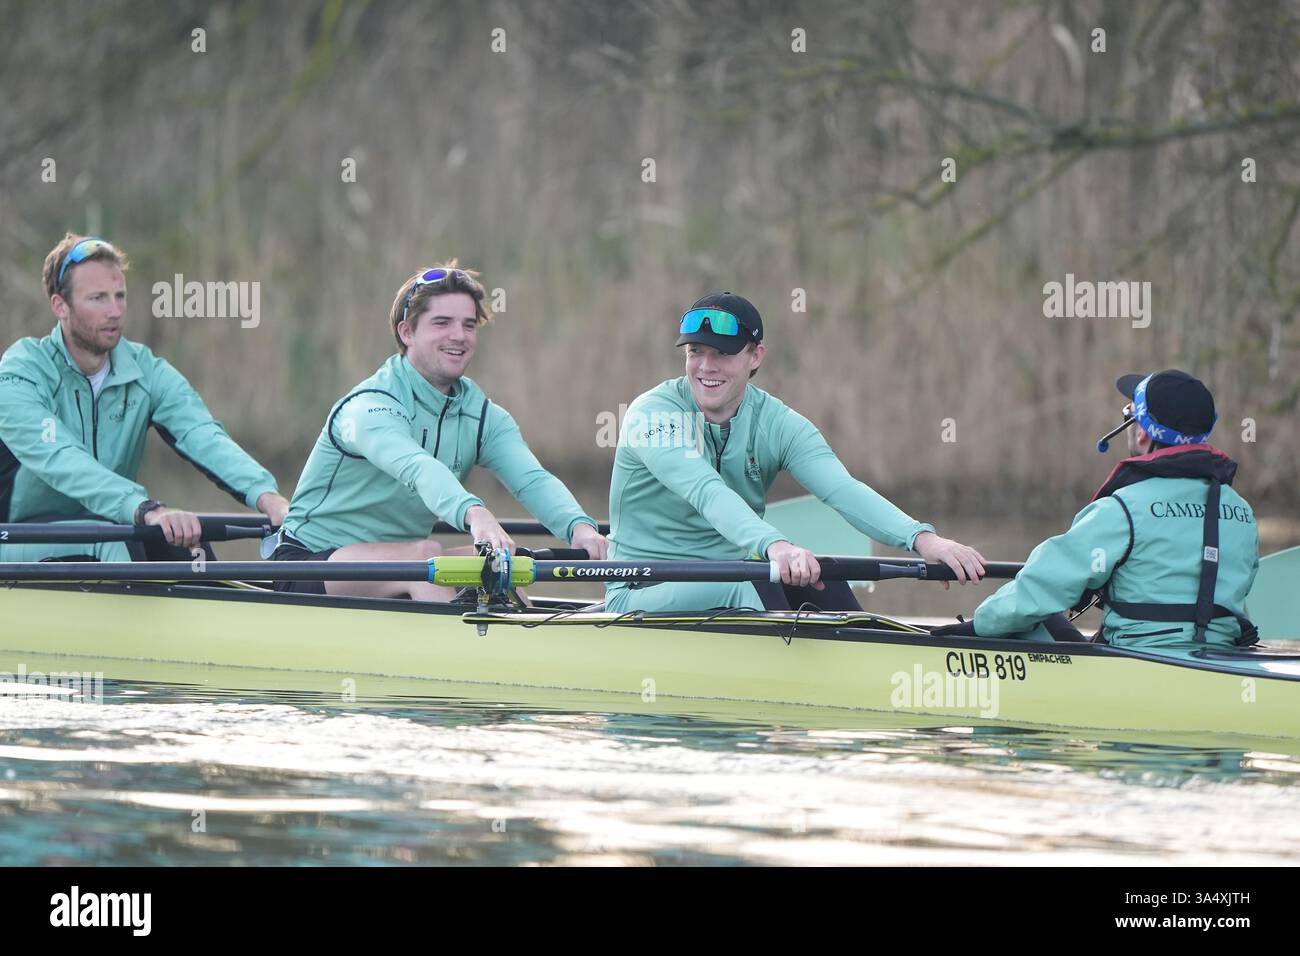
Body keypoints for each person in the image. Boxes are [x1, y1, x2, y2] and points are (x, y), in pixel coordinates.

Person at [606, 292, 986, 613]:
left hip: (739, 573)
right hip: (641, 588)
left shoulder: (777, 423)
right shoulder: (652, 415)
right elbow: (707, 491)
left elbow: (843, 490)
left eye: (722, 353)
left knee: (822, 580)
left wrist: (924, 540)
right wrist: (777, 546)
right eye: (696, 351)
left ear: (755, 356)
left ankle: (873, 668)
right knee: (752, 584)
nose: (706, 366)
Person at [271, 263, 607, 600]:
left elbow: (532, 479)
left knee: (503, 564)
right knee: (424, 557)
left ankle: (527, 645)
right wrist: (476, 514)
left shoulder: (481, 415)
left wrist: (579, 527)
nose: (459, 336)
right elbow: (418, 467)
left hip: (394, 566)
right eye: (442, 323)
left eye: (468, 325)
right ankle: (466, 650)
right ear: (407, 333)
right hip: (306, 565)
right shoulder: (369, 406)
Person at [0, 233, 289, 562]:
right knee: (110, 543)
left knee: (190, 551)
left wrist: (269, 498)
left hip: (113, 523)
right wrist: (144, 507)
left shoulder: (144, 370)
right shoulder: (21, 370)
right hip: (17, 535)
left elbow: (203, 435)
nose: (114, 311)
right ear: (60, 306)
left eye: (119, 296)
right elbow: (60, 457)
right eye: (98, 298)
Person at [934, 370, 1259, 648]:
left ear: (1143, 434)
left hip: (1138, 665)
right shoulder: (1242, 513)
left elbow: (1042, 585)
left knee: (1032, 614)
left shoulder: (1122, 510)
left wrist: (979, 626)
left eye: (1128, 415)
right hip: (1220, 658)